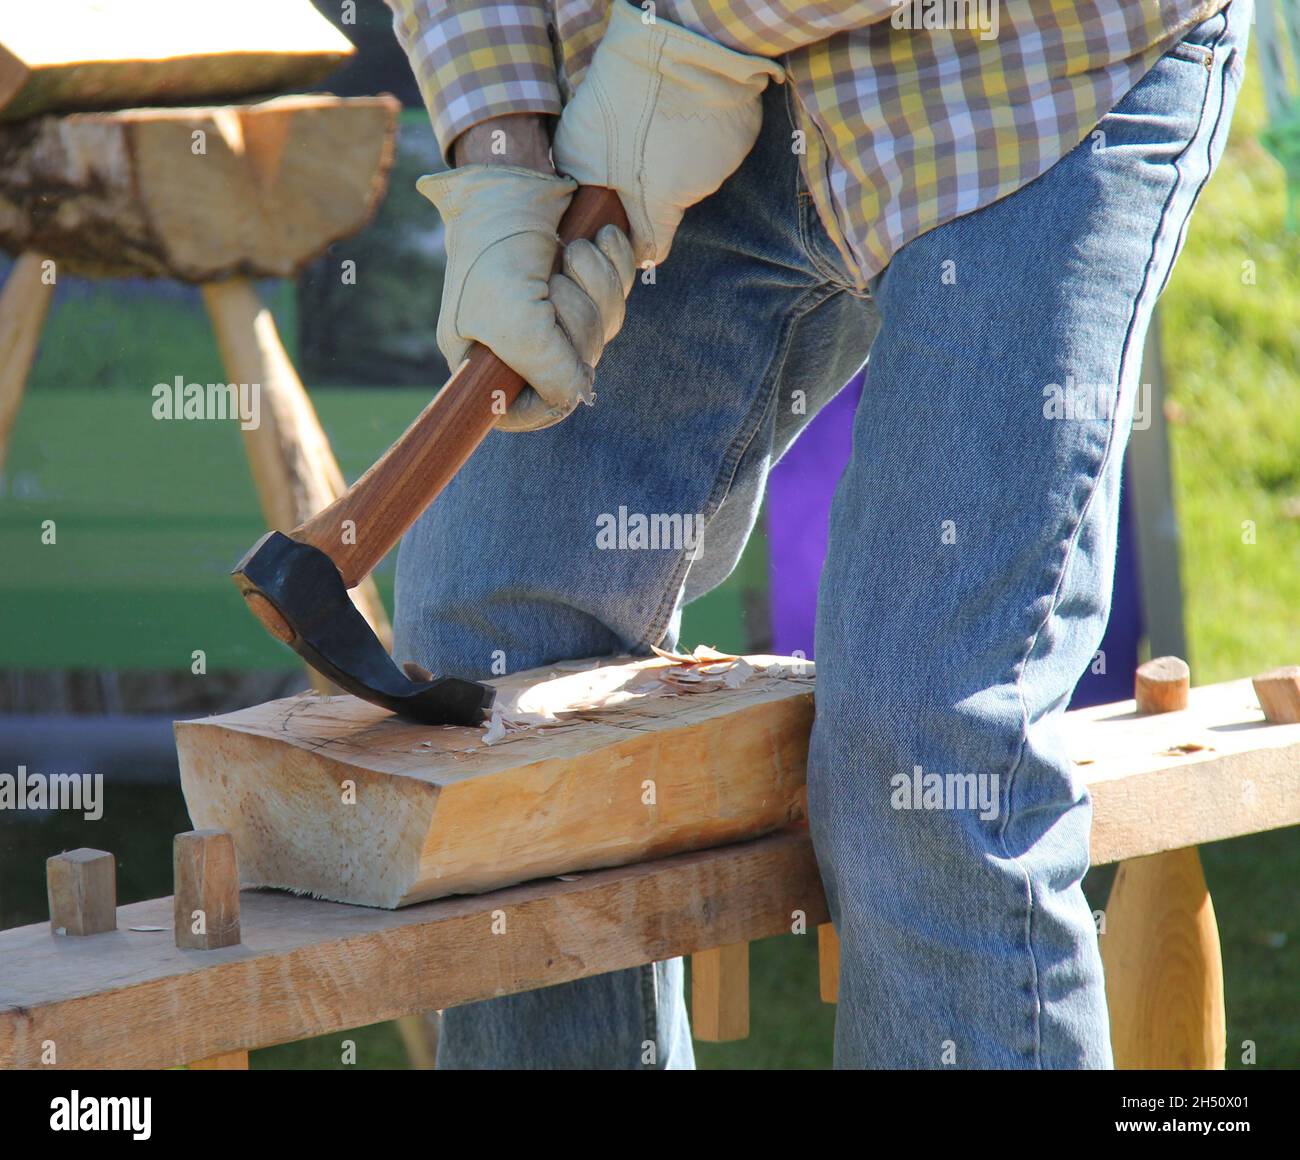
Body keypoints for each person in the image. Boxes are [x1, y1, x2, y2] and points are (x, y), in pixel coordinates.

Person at [383, 0, 1249, 1068]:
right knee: (490, 628)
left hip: (1033, 72)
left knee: (925, 723)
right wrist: (500, 155)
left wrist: (685, 34)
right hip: (665, 94)